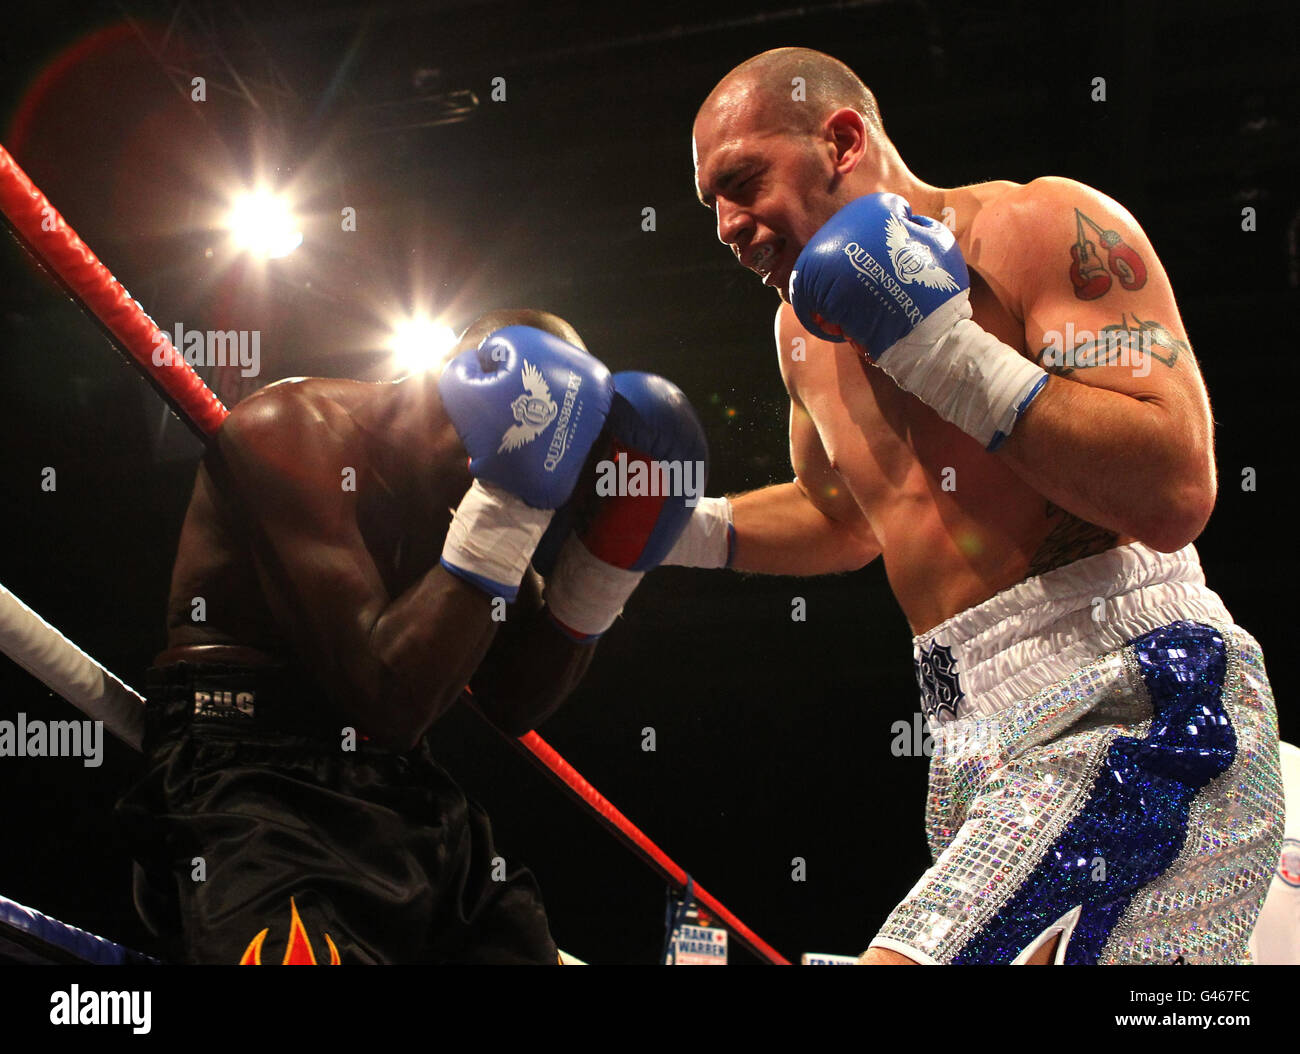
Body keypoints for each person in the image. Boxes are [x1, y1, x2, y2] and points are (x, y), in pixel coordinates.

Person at [674, 47, 1284, 964]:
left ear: (841, 138)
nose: (727, 226)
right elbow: (841, 522)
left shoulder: (1036, 227)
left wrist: (948, 353)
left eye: (743, 181)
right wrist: (665, 530)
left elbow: (1176, 489)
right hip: (965, 733)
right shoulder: (799, 334)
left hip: (1131, 690)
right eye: (710, 205)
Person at [115, 308, 706, 964]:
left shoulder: (472, 497)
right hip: (250, 778)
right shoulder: (293, 431)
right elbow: (387, 699)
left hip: (401, 793)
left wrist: (603, 571)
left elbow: (513, 701)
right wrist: (508, 502)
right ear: (468, 379)